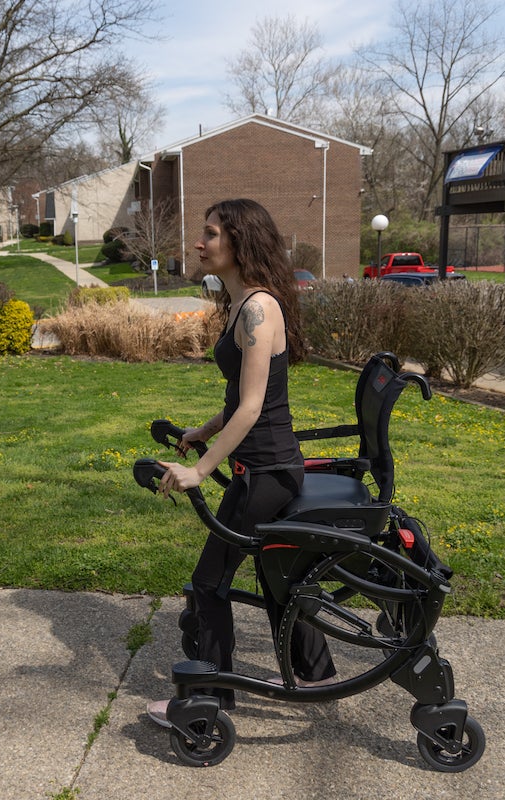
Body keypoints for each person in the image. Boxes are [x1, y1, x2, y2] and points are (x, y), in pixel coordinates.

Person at [147, 199, 336, 727]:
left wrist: (200, 468)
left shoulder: (257, 308)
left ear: (239, 241)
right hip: (268, 467)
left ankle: (207, 702)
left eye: (209, 234)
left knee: (209, 582)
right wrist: (200, 432)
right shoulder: (247, 304)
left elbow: (253, 409)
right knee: (279, 578)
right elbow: (244, 396)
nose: (199, 243)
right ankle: (316, 672)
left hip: (267, 473)